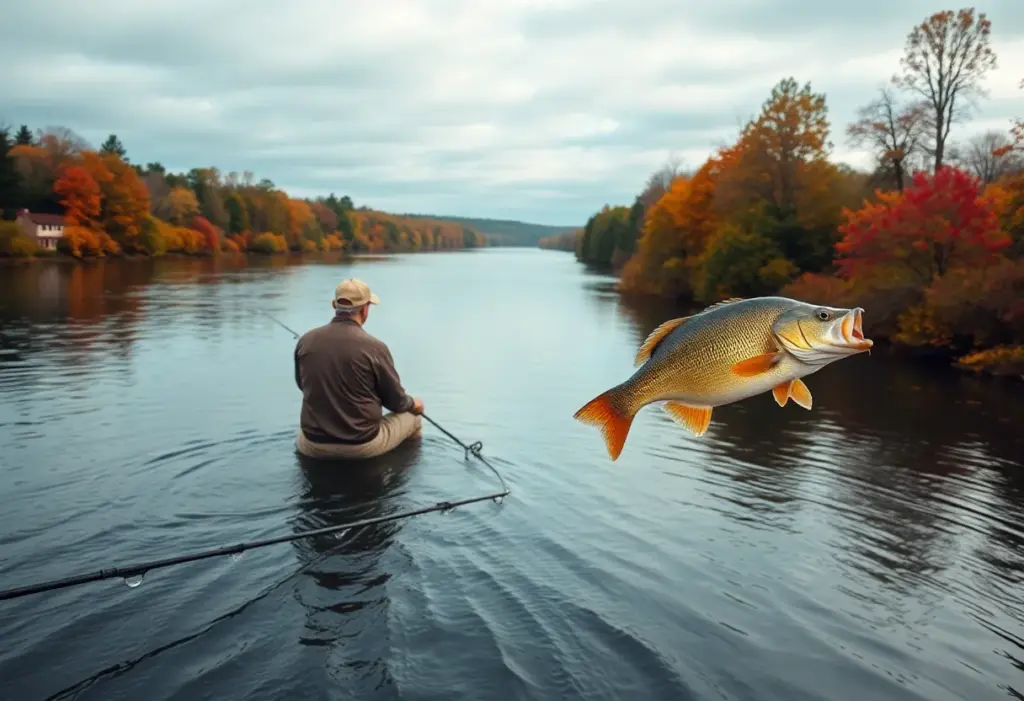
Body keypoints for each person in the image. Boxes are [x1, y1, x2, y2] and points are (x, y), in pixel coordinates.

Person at [293, 278, 424, 459]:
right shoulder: (375, 348)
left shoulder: (306, 341)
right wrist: (414, 404)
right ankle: (400, 477)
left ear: (334, 305)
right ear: (364, 309)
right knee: (414, 419)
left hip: (312, 444)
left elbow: (303, 385)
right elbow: (396, 402)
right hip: (362, 445)